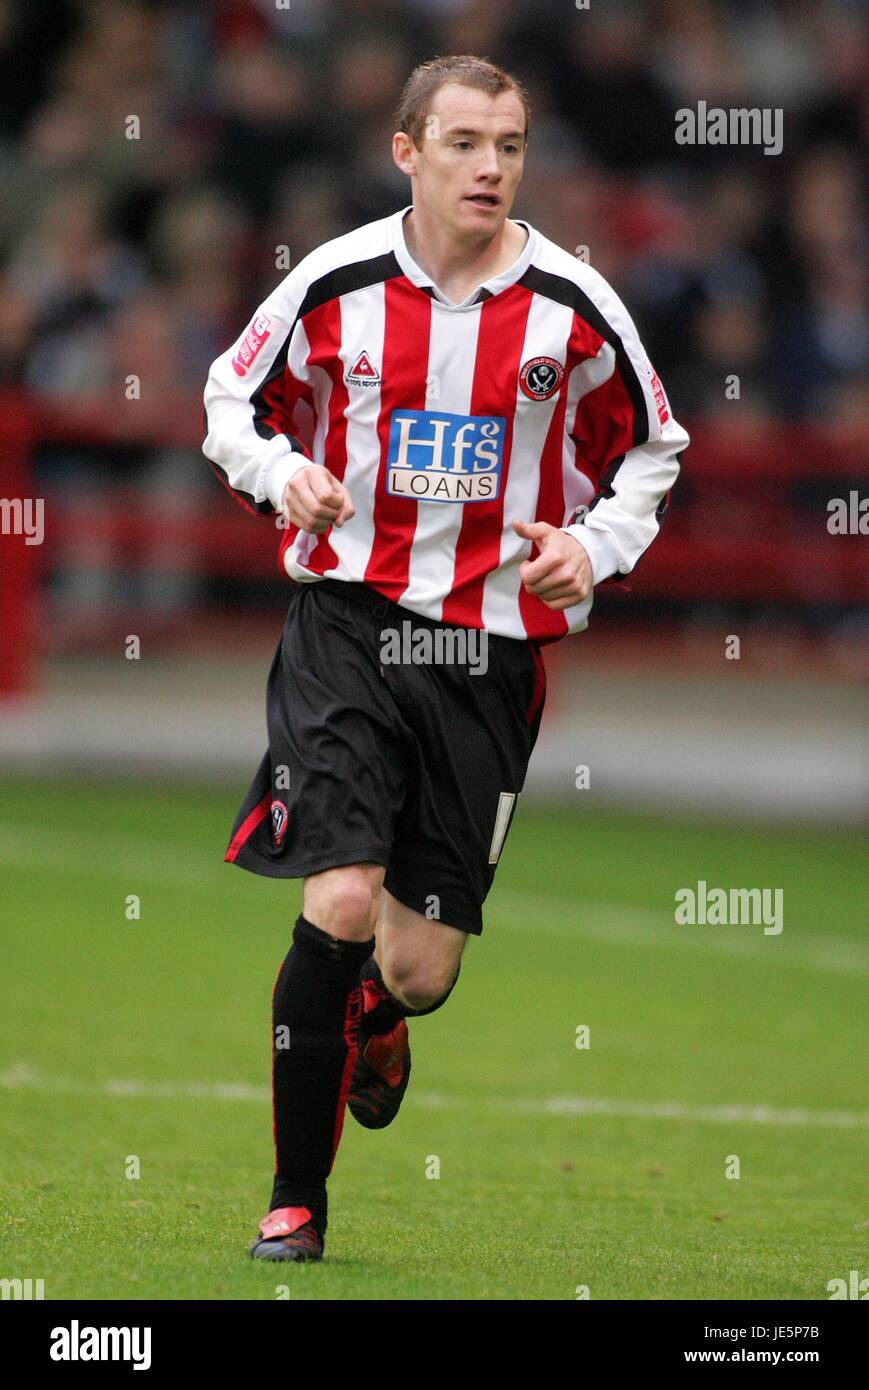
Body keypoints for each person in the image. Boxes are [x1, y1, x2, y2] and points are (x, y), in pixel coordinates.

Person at [202, 54, 689, 1263]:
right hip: (349, 625)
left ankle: (374, 1011)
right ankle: (295, 1199)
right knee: (342, 898)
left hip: (486, 655)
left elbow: (655, 447)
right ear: (406, 151)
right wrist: (281, 471)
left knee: (416, 969)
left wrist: (590, 543)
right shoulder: (337, 279)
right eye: (464, 141)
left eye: (509, 145)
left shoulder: (574, 306)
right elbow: (229, 397)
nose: (490, 166)